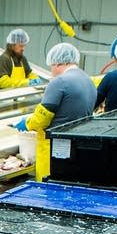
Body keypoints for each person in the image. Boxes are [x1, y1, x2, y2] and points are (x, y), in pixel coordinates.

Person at [12, 42, 96, 181]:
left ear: (58, 63)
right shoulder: (87, 80)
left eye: (51, 66)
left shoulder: (60, 82)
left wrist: (26, 123)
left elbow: (42, 119)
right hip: (80, 146)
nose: (51, 70)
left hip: (56, 147)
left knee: (48, 187)